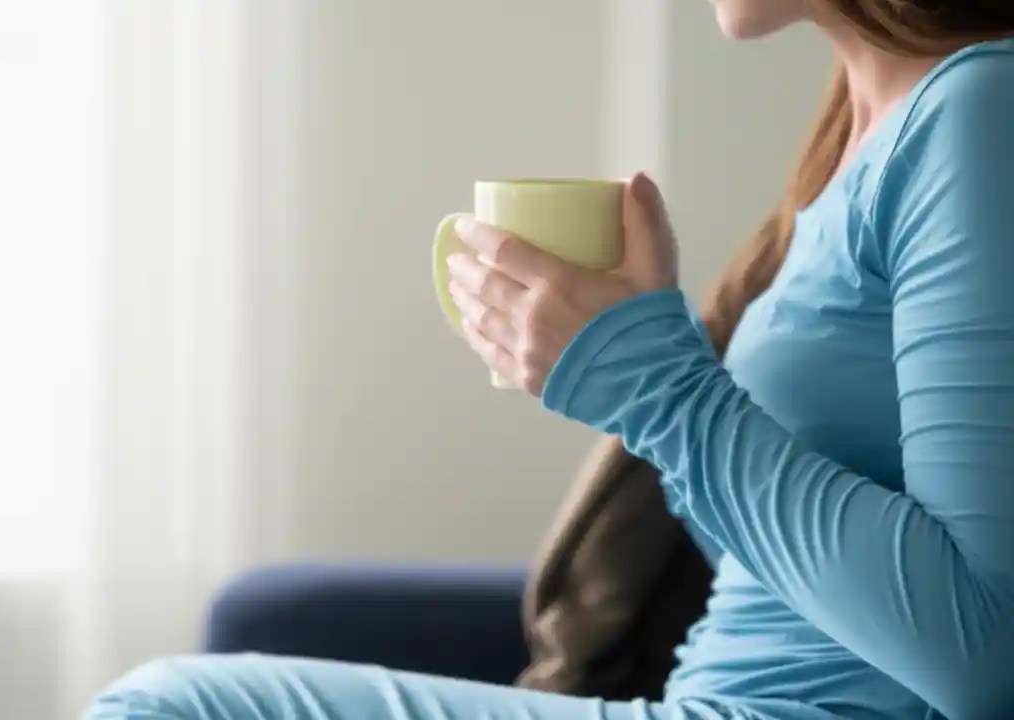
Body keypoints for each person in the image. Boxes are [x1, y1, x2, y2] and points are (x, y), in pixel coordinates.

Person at [85, 1, 1014, 718]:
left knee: (172, 705)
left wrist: (656, 386)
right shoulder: (864, 133)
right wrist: (637, 374)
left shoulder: (977, 112)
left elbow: (984, 656)